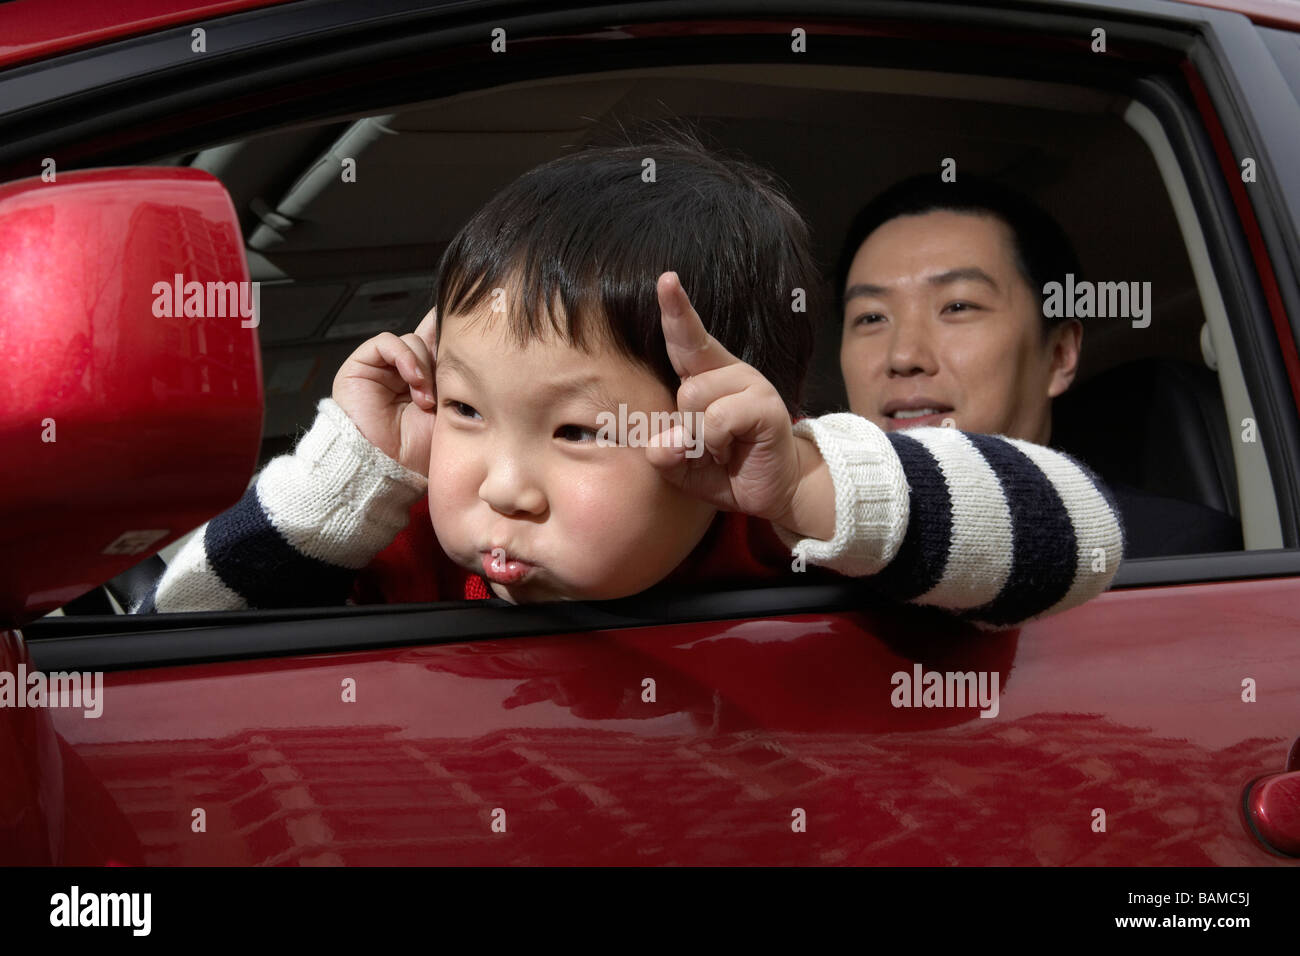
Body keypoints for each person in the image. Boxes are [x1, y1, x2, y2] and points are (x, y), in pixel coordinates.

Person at [134, 129, 1122, 629]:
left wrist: (810, 484)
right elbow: (172, 634)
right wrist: (350, 471)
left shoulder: (783, 538)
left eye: (575, 431)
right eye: (469, 407)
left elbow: (1081, 541)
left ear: (712, 435)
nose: (501, 484)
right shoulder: (403, 550)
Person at [836, 174, 1242, 559]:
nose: (904, 357)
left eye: (958, 306)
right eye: (871, 318)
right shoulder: (807, 555)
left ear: (1060, 354)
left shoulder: (1167, 557)